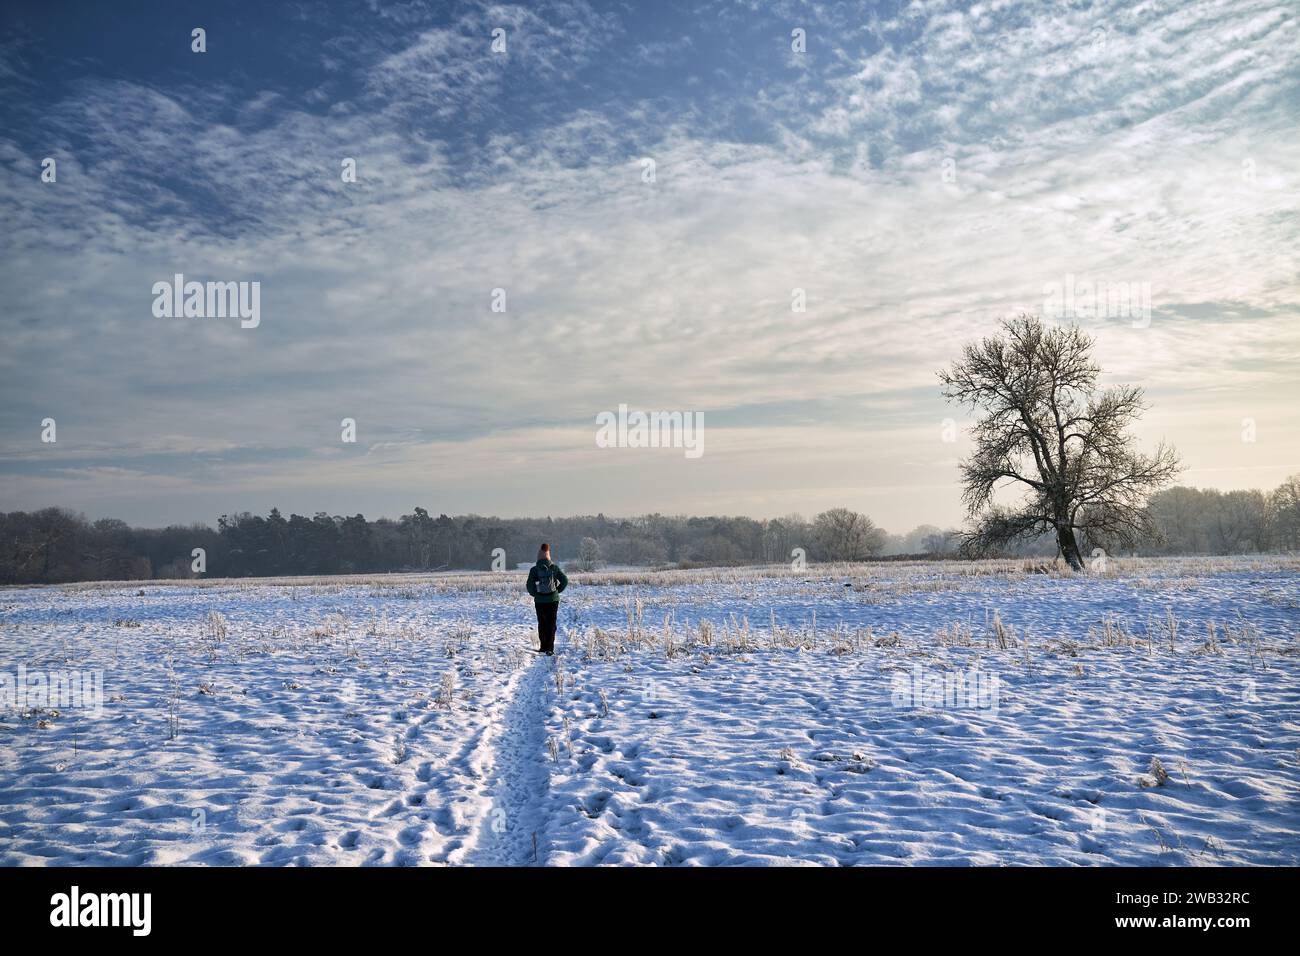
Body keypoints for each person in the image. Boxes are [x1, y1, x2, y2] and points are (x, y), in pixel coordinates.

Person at [526, 543, 568, 655]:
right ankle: (550, 648)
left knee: (542, 623)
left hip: (540, 601)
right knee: (551, 623)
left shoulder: (534, 570)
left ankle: (543, 647)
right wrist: (557, 591)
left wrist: (535, 594)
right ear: (549, 556)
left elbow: (529, 586)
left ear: (538, 557)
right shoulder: (554, 568)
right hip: (553, 600)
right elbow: (565, 581)